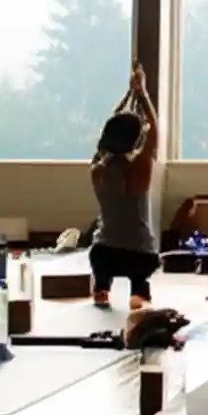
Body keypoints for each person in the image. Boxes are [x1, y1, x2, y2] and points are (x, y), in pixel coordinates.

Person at [90, 62, 160, 311]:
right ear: (136, 139)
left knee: (98, 252)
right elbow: (154, 133)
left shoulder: (97, 169)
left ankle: (102, 288)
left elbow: (107, 134)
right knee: (141, 273)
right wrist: (142, 93)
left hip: (105, 254)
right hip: (140, 256)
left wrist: (128, 95)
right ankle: (139, 294)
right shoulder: (140, 170)